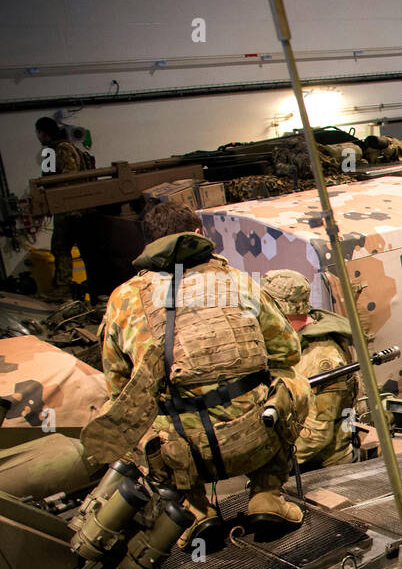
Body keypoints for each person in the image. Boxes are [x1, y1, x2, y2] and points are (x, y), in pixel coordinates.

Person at [81, 229, 310, 545]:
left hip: (180, 453)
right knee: (292, 380)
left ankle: (195, 509)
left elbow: (118, 385)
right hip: (255, 439)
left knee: (117, 409)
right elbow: (288, 351)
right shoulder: (238, 281)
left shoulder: (124, 298)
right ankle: (267, 495)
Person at [261, 269, 360, 470]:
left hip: (325, 467)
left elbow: (318, 432)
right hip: (296, 455)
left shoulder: (322, 357)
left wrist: (271, 466)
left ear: (280, 311)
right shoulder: (292, 342)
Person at [35, 117, 94, 301]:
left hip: (69, 207)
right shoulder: (59, 149)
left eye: (39, 133)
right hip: (74, 207)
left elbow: (59, 179)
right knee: (79, 248)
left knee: (61, 247)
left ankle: (63, 288)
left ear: (43, 133)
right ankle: (84, 287)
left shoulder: (56, 150)